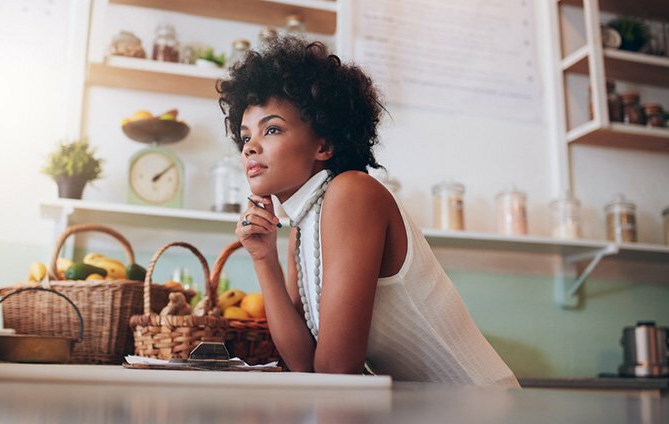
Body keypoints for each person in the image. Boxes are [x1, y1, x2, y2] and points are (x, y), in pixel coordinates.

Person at [217, 36, 519, 387]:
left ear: (324, 145)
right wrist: (263, 259)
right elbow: (302, 364)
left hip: (483, 408)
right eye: (245, 136)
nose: (250, 147)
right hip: (430, 411)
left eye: (271, 129)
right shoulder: (300, 225)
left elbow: (336, 372)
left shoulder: (352, 193)